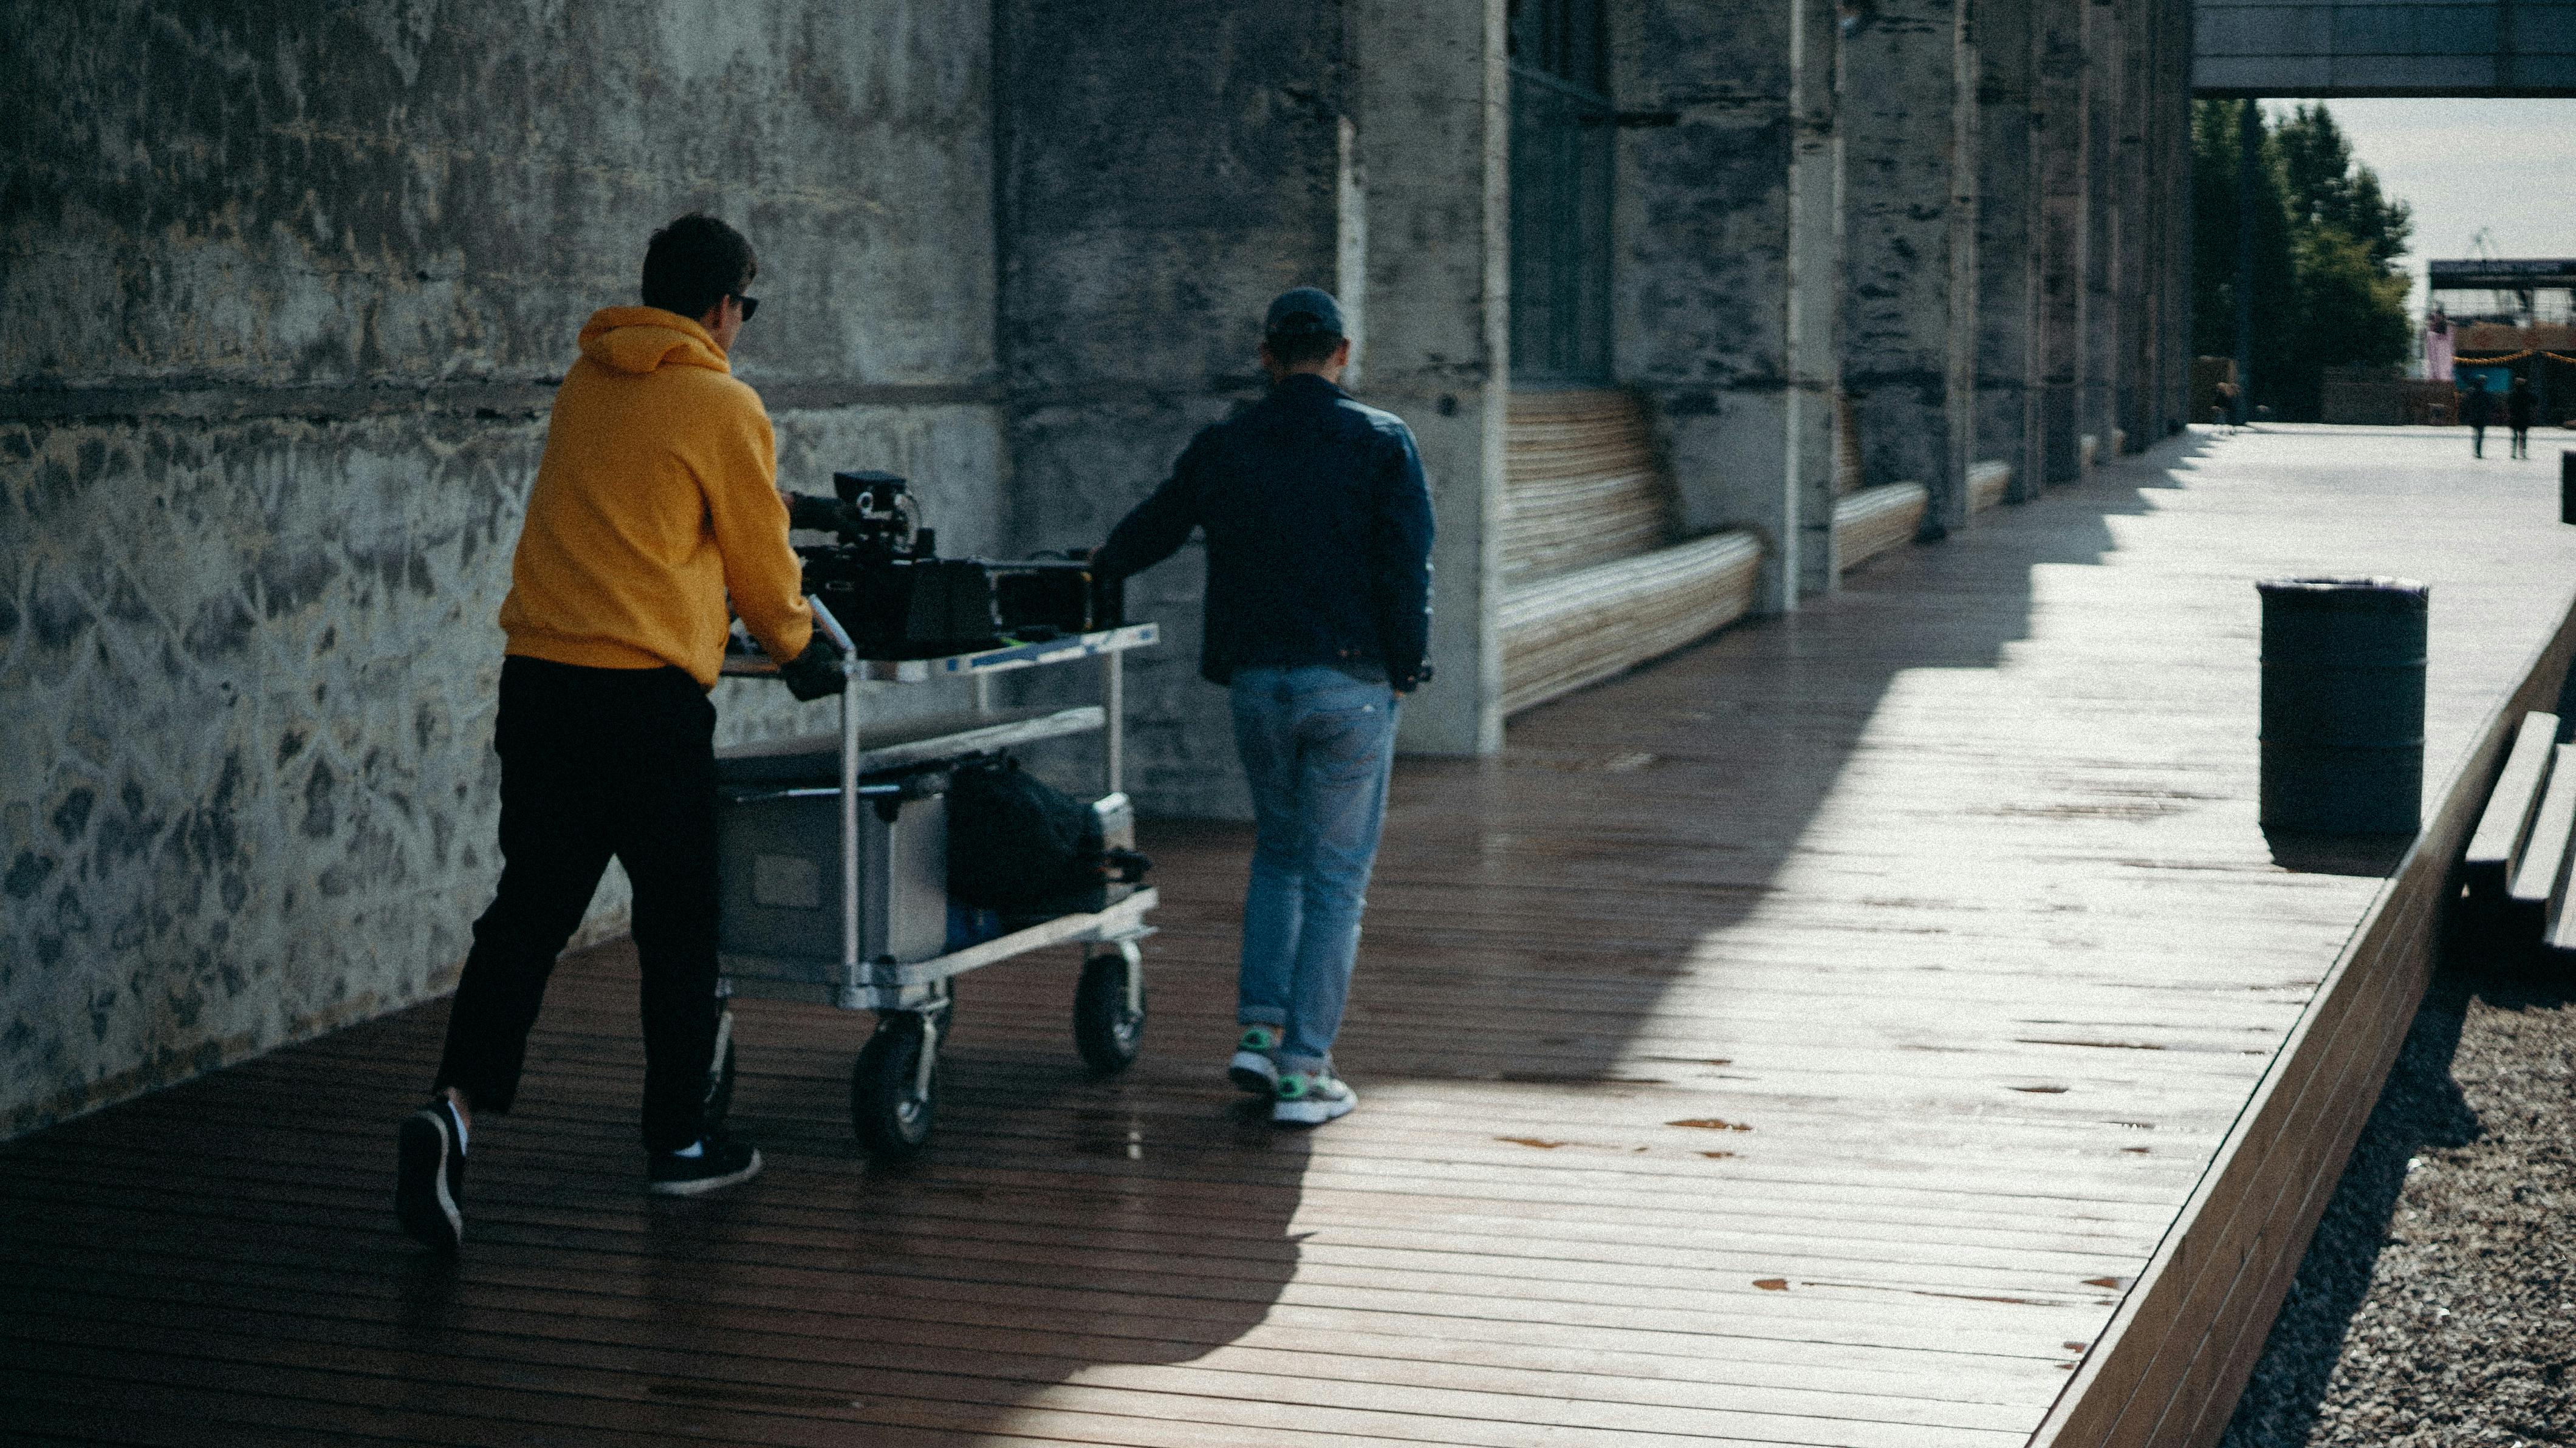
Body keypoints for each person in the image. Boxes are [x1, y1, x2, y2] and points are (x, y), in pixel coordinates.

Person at [394, 214, 846, 1252]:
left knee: (530, 911)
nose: (744, 327)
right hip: (645, 701)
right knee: (679, 920)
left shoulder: (586, 383)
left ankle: (452, 1111)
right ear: (723, 303)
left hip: (540, 683)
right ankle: (681, 1144)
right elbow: (764, 565)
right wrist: (799, 651)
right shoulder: (722, 400)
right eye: (748, 307)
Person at [1092, 287, 1433, 1127]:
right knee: (1337, 882)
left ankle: (1257, 1034)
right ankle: (1303, 1074)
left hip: (1257, 687)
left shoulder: (1227, 444)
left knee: (1278, 855)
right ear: (1343, 353)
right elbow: (1406, 567)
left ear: (1267, 356)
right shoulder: (1383, 441)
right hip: (1350, 684)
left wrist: (1096, 573)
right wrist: (1406, 670)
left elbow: (1150, 531)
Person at [2462, 376, 2497, 459]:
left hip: (2475, 415)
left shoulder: (2473, 393)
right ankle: (2478, 451)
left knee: (2476, 434)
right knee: (2480, 434)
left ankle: (2477, 450)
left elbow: (2467, 403)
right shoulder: (2486, 394)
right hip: (2482, 416)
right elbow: (2491, 404)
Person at [2507, 377, 2538, 460]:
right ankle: (2523, 453)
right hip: (2524, 416)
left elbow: (2509, 403)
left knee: (2514, 436)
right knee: (2523, 436)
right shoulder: (2527, 393)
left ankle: (2513, 453)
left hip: (2515, 416)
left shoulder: (2513, 393)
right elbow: (2535, 401)